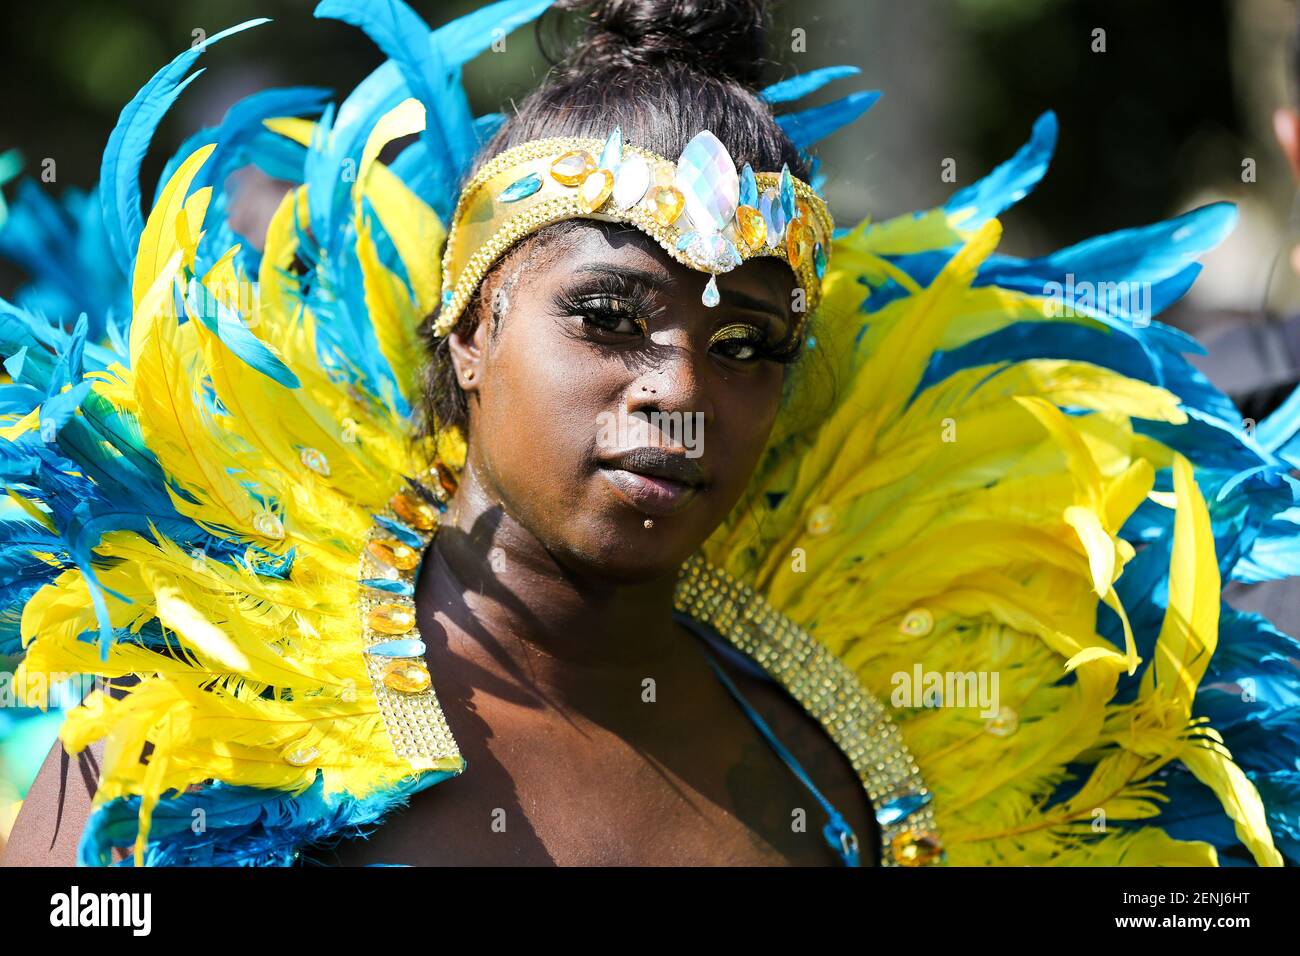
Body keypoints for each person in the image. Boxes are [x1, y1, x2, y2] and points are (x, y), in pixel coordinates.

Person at [1, 0, 1298, 868]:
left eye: (749, 346)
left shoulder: (876, 758)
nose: (680, 389)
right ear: (469, 326)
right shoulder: (206, 730)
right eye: (611, 317)